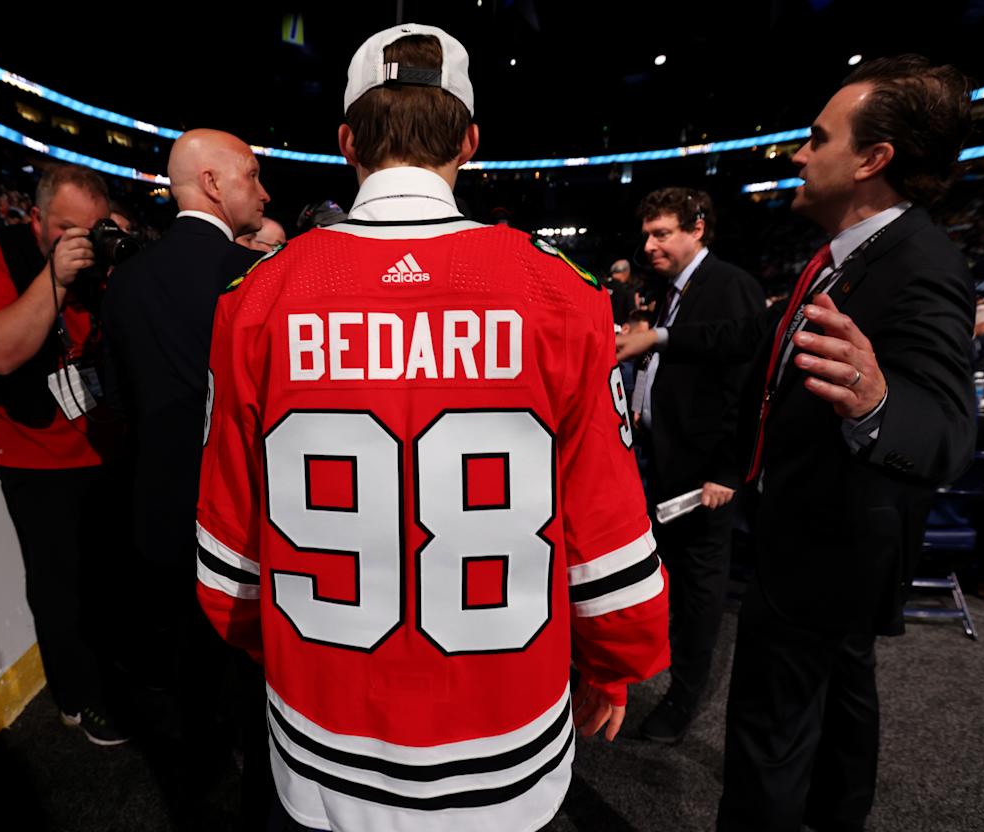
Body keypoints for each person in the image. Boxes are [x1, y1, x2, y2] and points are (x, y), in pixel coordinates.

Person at [197, 23, 669, 831]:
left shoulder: (256, 300)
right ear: (471, 141)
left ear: (347, 141)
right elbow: (607, 534)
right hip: (505, 735)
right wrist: (614, 664)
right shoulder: (562, 296)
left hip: (322, 733)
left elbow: (228, 570)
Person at [618, 54, 976, 831]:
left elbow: (948, 430)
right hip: (831, 550)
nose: (800, 154)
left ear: (873, 160)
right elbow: (757, 335)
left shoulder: (921, 265)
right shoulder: (845, 260)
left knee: (767, 738)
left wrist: (879, 399)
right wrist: (659, 339)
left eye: (818, 138)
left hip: (823, 552)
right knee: (843, 704)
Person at [100, 129, 269, 800]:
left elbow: (116, 401)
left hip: (161, 509)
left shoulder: (125, 281)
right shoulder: (257, 277)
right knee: (252, 668)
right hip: (248, 516)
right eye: (253, 175)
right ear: (212, 183)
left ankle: (197, 771)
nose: (264, 189)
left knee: (186, 667)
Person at [0, 164, 128, 746]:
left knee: (111, 582)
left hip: (106, 445)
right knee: (61, 591)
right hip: (38, 460)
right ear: (35, 220)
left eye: (92, 228)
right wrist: (54, 276)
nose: (79, 240)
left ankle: (115, 677)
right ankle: (79, 698)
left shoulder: (104, 259)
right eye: (64, 229)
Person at [629, 187, 764, 744]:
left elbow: (742, 375)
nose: (649, 245)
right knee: (678, 583)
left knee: (699, 591)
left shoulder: (729, 285)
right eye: (647, 235)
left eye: (661, 233)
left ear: (697, 228)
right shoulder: (676, 292)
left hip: (704, 475)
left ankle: (681, 703)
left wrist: (727, 471)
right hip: (666, 462)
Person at [607, 257, 640, 326]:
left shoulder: (599, 286)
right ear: (626, 272)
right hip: (618, 331)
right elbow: (633, 314)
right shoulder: (628, 290)